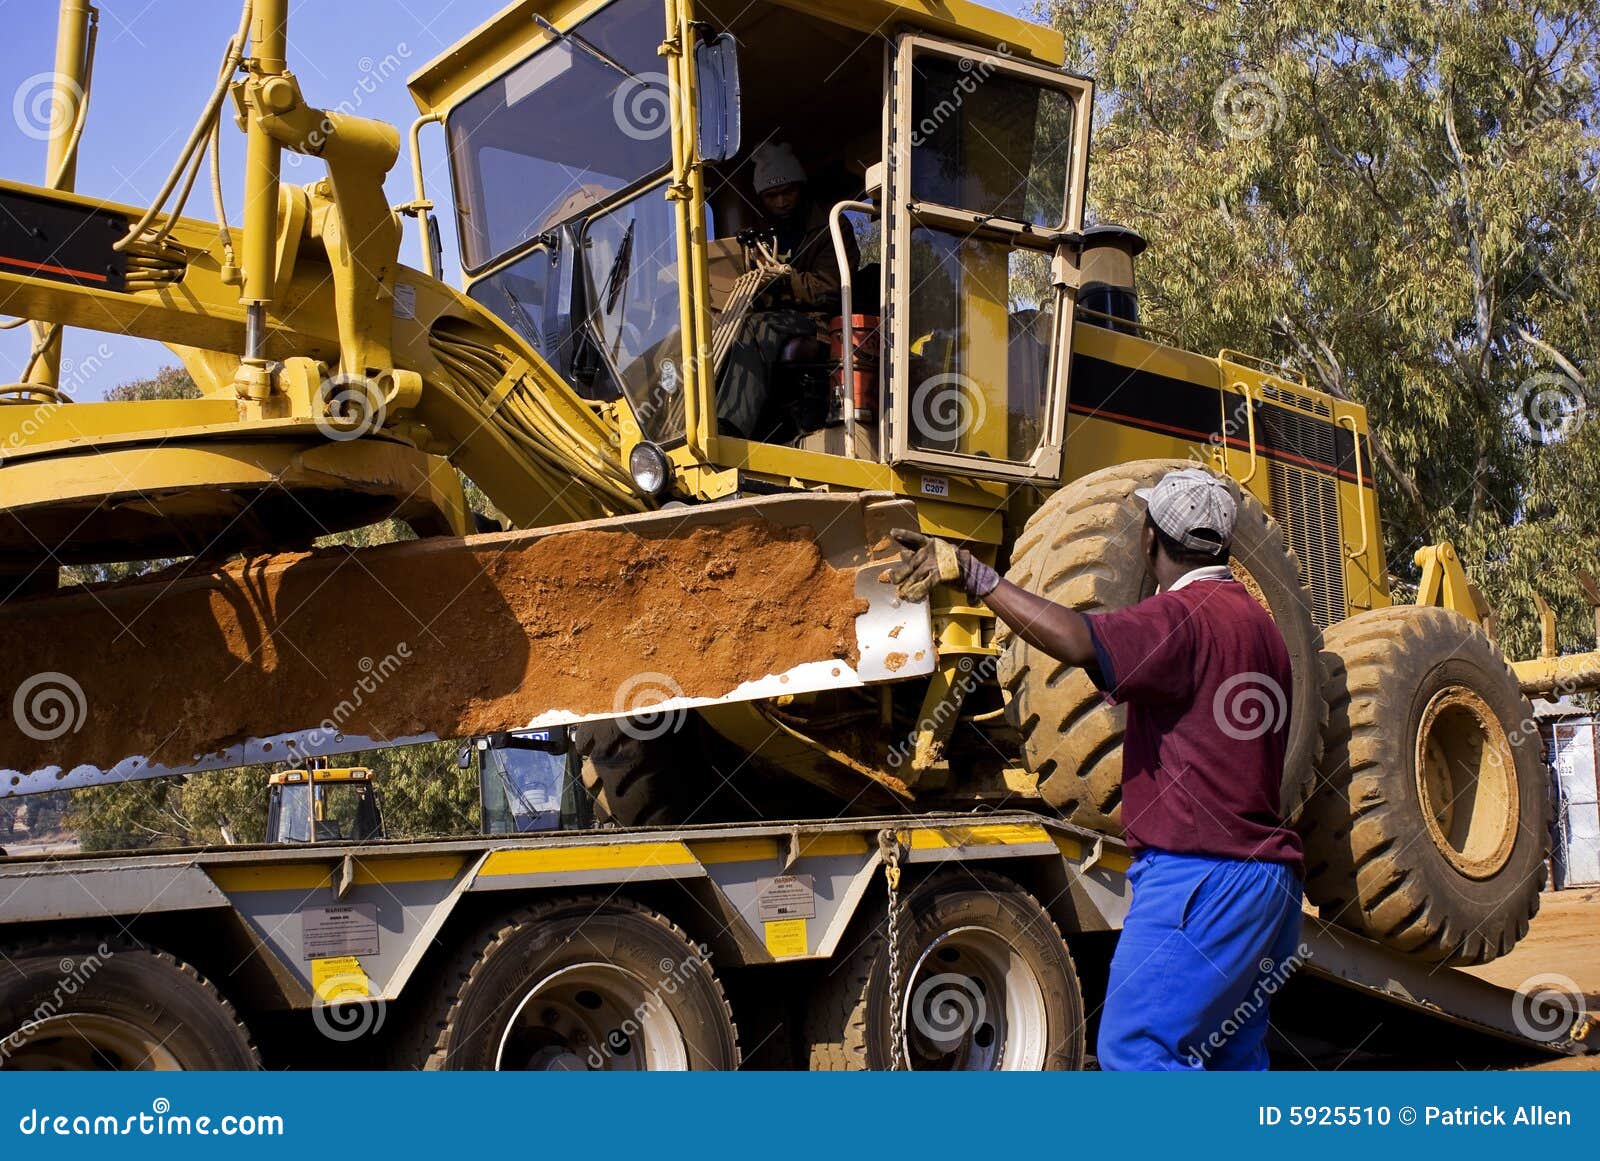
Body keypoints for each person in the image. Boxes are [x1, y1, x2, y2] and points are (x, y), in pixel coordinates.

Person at [888, 467, 1305, 1070]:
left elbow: (1080, 639)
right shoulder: (1263, 630)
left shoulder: (1182, 619)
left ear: (1149, 540)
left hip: (1201, 880)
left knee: (1136, 1052)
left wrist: (978, 577)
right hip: (1267, 886)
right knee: (1228, 1064)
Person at [716, 141, 858, 439]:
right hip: (774, 317)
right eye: (771, 196)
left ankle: (730, 428)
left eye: (787, 192)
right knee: (719, 328)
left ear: (800, 187)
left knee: (756, 327)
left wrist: (784, 280)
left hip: (816, 322)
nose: (781, 202)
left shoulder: (831, 227)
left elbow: (833, 289)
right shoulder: (760, 235)